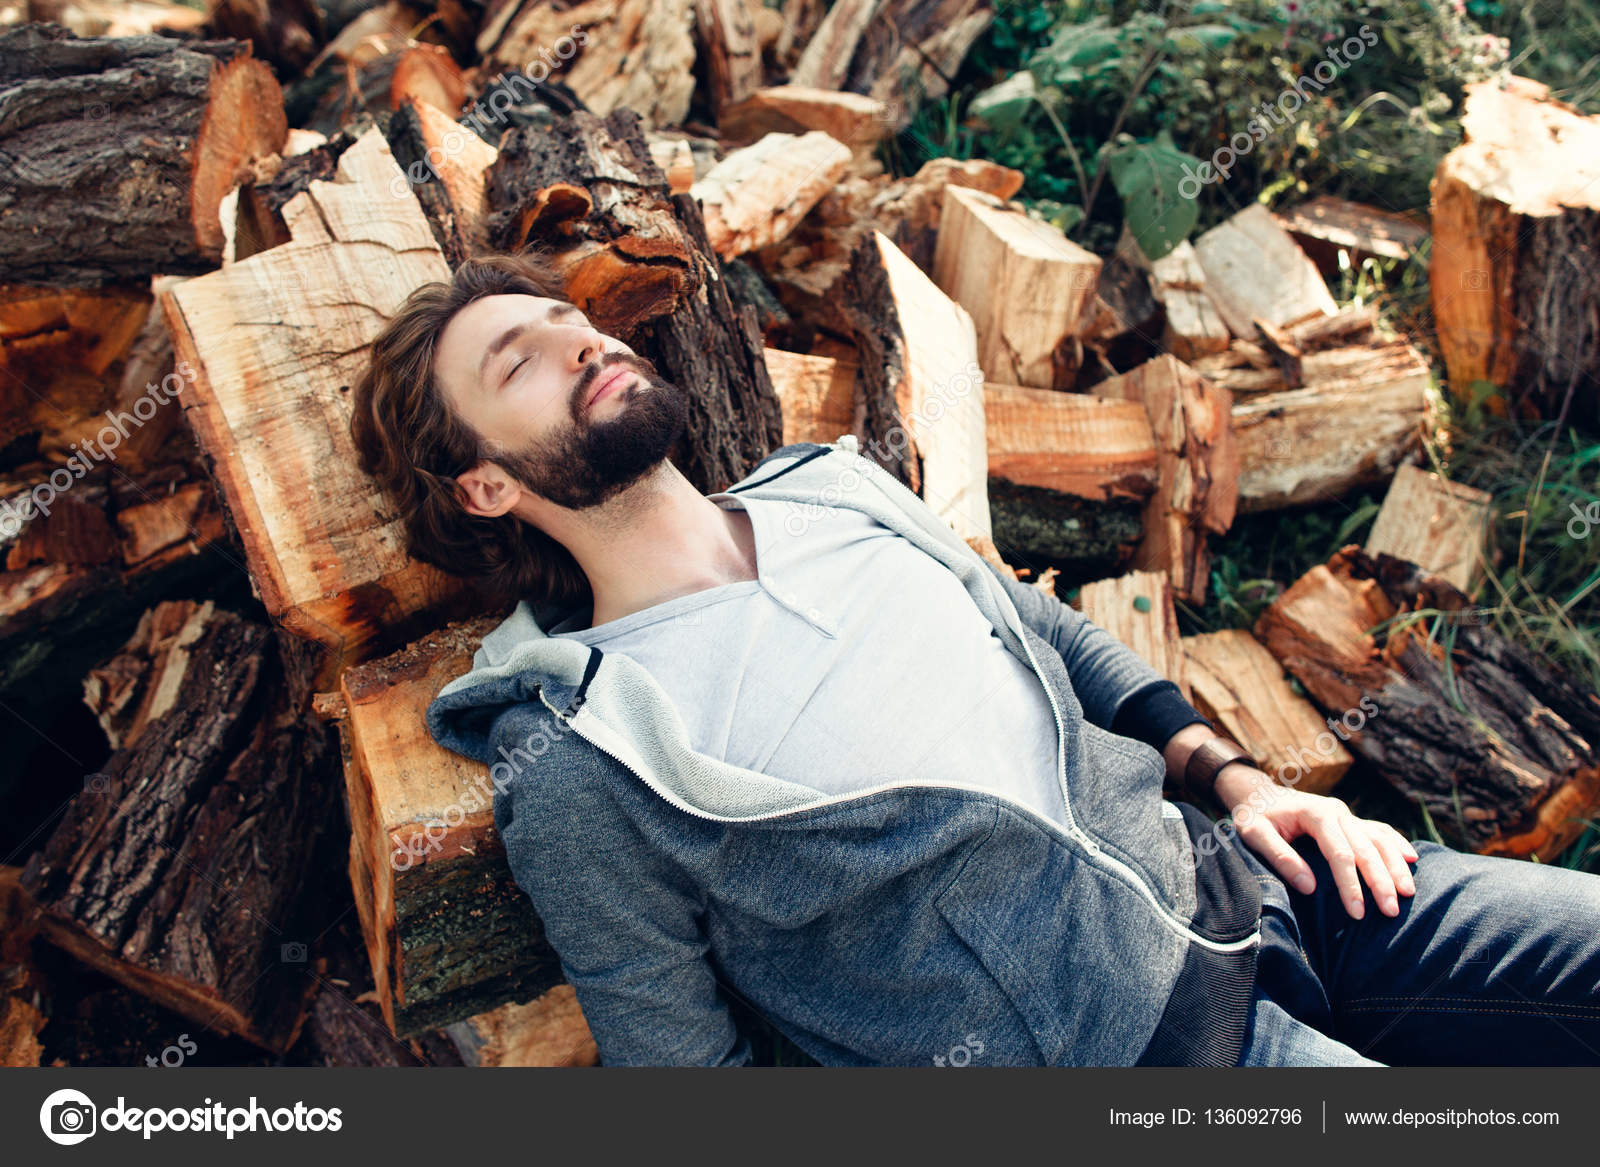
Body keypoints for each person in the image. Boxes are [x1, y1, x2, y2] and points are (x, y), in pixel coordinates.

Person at [350, 250, 1600, 1067]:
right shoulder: (585, 758)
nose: (582, 341)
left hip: (1256, 882)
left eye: (571, 319)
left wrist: (1242, 781)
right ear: (485, 483)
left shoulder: (831, 492)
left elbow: (1048, 633)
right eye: (519, 360)